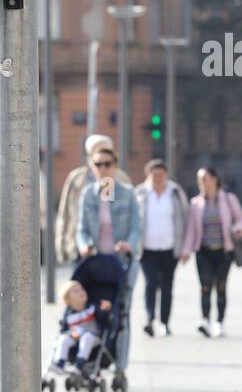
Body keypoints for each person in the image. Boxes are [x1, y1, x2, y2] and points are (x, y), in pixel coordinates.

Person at [76, 147, 140, 372]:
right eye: (98, 164)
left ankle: (120, 365)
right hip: (95, 263)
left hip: (121, 262)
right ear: (92, 168)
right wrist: (84, 246)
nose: (102, 169)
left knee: (121, 311)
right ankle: (90, 358)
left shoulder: (127, 193)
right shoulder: (87, 194)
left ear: (115, 166)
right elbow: (81, 229)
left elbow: (136, 228)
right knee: (92, 309)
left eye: (107, 164)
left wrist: (128, 245)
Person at [180, 166, 242, 337]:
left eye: (205, 178)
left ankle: (219, 322)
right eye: (200, 179)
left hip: (224, 251)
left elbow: (239, 219)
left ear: (215, 179)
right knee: (205, 287)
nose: (202, 183)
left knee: (221, 287)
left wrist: (237, 228)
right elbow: (191, 229)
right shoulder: (196, 203)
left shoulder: (228, 199)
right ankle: (205, 320)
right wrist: (186, 251)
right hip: (204, 251)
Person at [55, 134, 131, 264]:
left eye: (105, 150)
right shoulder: (77, 178)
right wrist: (61, 245)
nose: (100, 155)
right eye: (95, 151)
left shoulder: (122, 180)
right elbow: (65, 213)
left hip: (115, 249)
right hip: (82, 247)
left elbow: (132, 216)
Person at [135, 159, 188, 336]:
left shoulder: (174, 192)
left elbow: (185, 218)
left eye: (161, 175)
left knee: (167, 285)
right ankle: (150, 318)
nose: (157, 178)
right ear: (147, 175)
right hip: (147, 248)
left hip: (169, 247)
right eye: (154, 175)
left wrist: (185, 248)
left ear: (166, 175)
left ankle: (165, 321)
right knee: (150, 283)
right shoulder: (141, 193)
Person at [49, 279, 112, 375]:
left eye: (82, 289)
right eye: (76, 291)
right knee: (63, 339)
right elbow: (64, 330)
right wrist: (71, 333)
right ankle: (60, 363)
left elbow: (104, 319)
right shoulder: (69, 315)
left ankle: (79, 365)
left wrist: (106, 309)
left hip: (93, 337)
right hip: (75, 340)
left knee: (87, 337)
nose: (81, 292)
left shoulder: (92, 308)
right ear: (68, 300)